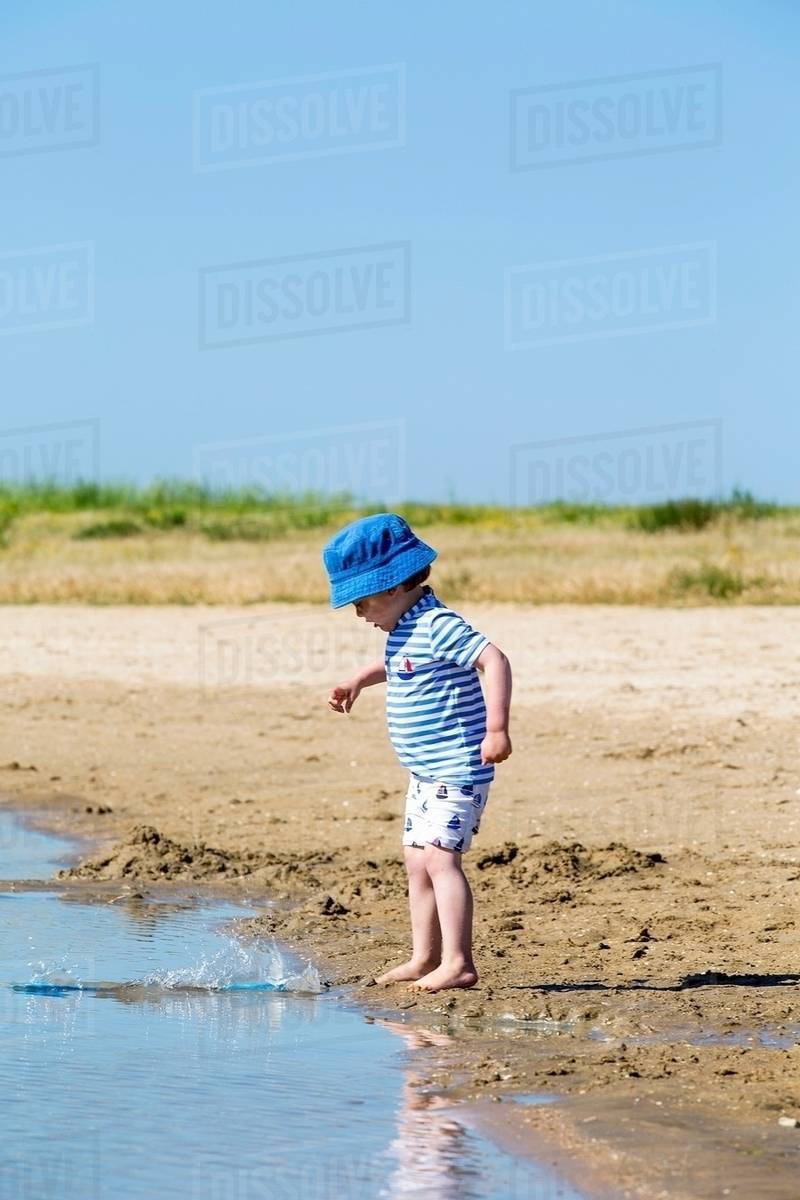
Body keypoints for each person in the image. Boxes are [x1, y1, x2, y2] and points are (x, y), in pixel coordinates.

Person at [322, 512, 512, 993]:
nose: (360, 614)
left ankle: (458, 961)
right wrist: (358, 681)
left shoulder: (438, 623)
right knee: (415, 861)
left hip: (457, 766)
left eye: (361, 602)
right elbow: (399, 663)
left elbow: (494, 659)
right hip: (424, 773)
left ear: (390, 588)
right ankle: (424, 956)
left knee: (440, 859)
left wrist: (497, 728)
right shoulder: (403, 629)